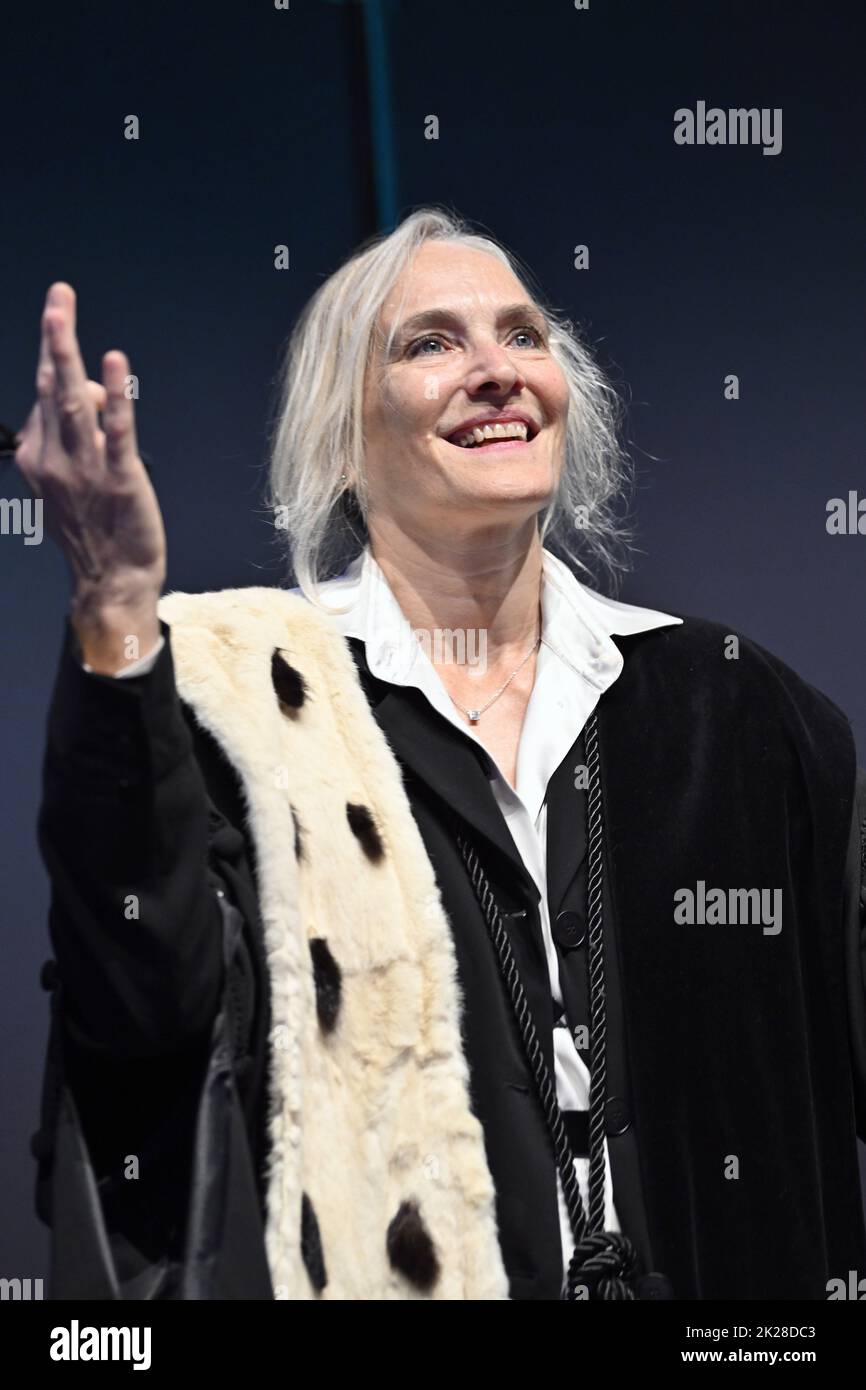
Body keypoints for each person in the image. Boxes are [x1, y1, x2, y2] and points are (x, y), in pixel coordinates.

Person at [17, 208, 866, 1302]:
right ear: (340, 436)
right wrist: (116, 615)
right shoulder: (247, 707)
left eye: (522, 335)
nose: (495, 372)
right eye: (429, 344)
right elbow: (142, 1008)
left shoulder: (741, 709)